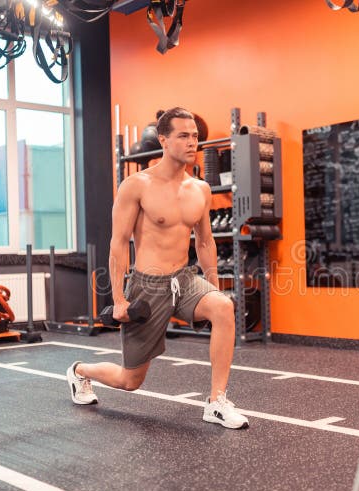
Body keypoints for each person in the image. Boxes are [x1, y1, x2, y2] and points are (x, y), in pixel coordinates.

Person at [66, 107, 249, 429]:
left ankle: (216, 402)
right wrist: (121, 300)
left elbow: (205, 243)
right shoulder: (137, 185)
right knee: (130, 380)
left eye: (195, 136)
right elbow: (119, 243)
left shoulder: (200, 189)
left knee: (223, 307)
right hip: (147, 287)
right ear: (163, 140)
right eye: (183, 136)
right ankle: (80, 371)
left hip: (184, 279)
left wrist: (213, 288)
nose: (192, 142)